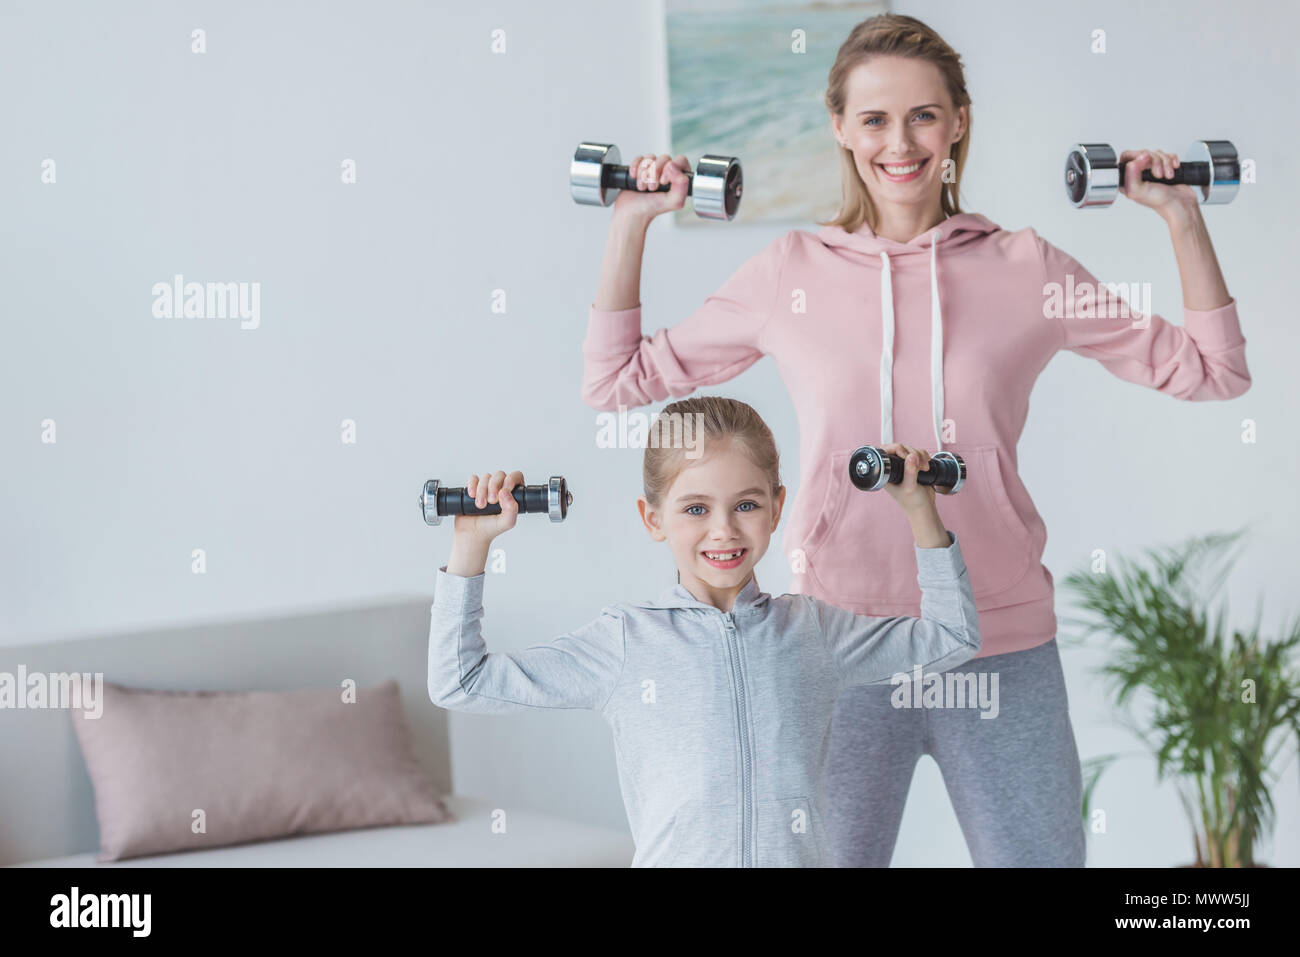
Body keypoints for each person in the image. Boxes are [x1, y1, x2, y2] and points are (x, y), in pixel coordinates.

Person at [579, 14, 1250, 866]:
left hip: (1000, 641)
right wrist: (630, 222)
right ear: (840, 129)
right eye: (874, 119)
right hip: (841, 647)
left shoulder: (1026, 270)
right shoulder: (791, 272)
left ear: (959, 121)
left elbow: (1211, 371)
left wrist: (1182, 219)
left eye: (924, 115)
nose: (901, 142)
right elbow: (616, 381)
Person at [427, 395, 980, 866]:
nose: (724, 530)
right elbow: (460, 682)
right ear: (653, 518)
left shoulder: (813, 632)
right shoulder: (626, 642)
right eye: (695, 508)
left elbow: (954, 636)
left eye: (746, 504)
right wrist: (471, 547)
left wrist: (920, 512)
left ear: (776, 508)